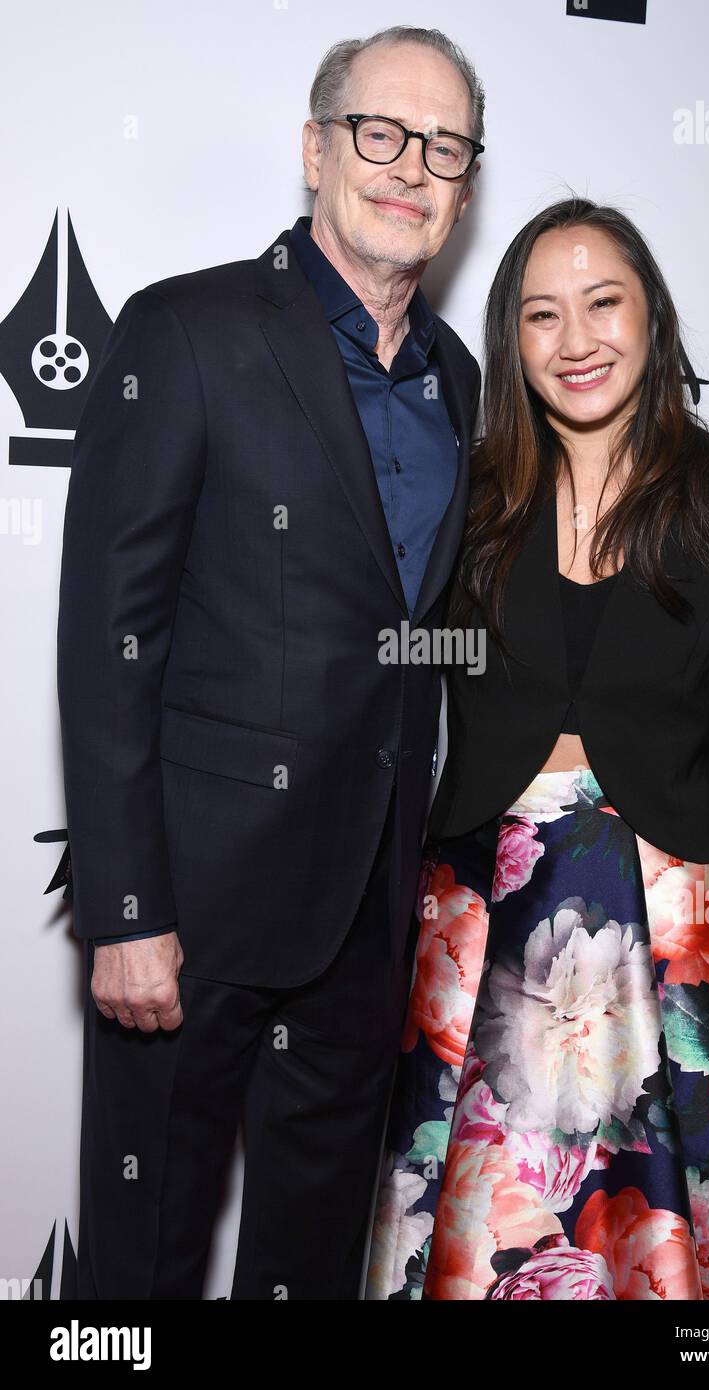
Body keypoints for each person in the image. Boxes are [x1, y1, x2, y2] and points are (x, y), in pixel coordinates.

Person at [364, 197, 709, 1301]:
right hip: (483, 916)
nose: (575, 339)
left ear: (653, 318)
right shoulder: (471, 494)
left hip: (676, 916)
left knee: (670, 1237)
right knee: (490, 1232)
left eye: (603, 304)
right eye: (541, 315)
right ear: (512, 339)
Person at [56, 25, 484, 1300]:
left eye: (445, 146)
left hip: (364, 914)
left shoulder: (459, 381)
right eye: (380, 132)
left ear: (466, 188)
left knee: (308, 1261)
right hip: (190, 913)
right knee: (136, 1269)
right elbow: (107, 638)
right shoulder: (185, 330)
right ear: (316, 150)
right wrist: (129, 911)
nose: (410, 166)